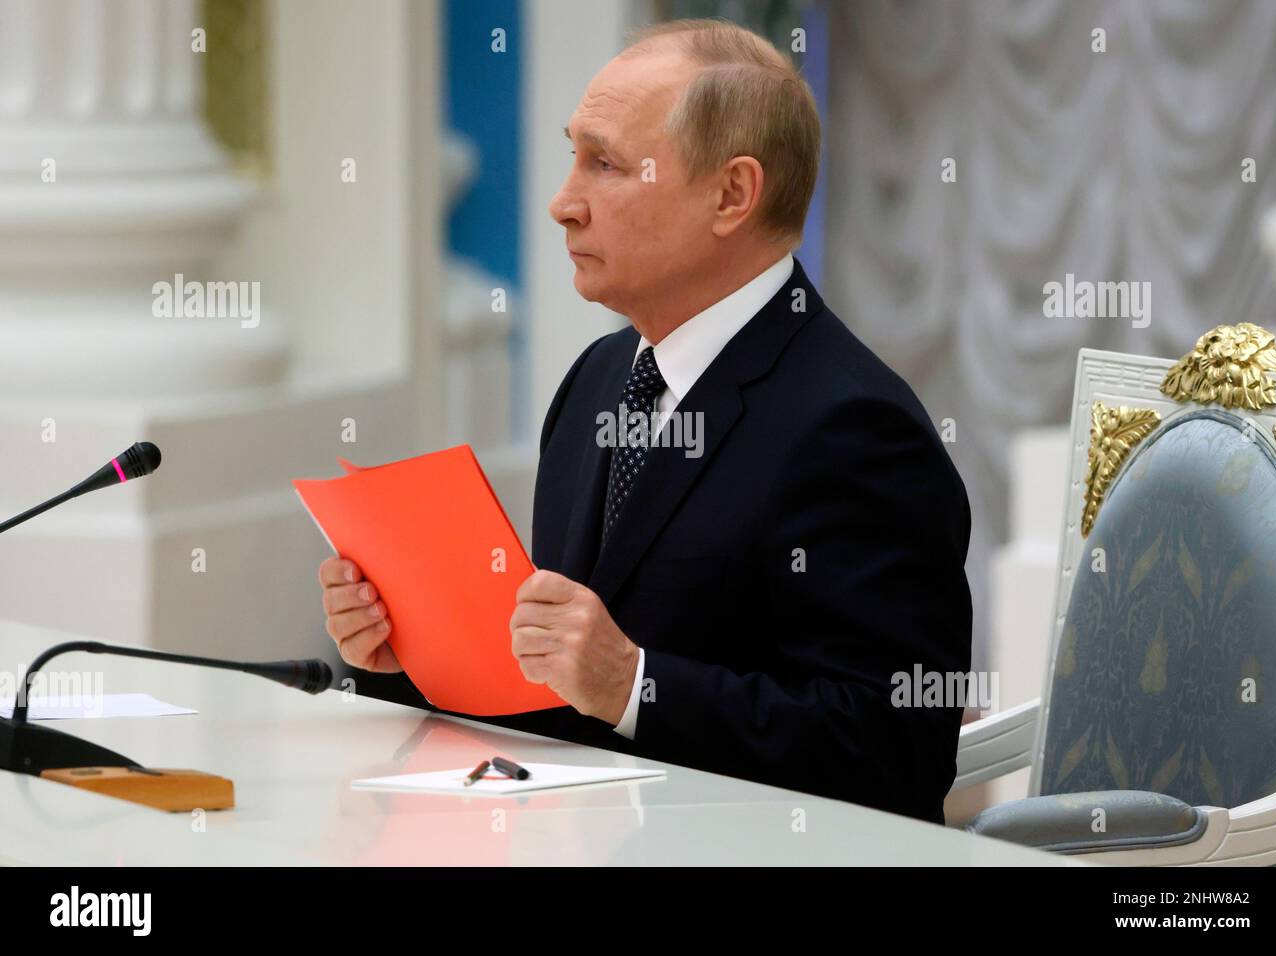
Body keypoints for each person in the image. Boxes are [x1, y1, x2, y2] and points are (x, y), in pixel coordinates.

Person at [319, 18, 971, 824]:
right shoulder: (597, 380)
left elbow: (895, 750)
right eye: (572, 156)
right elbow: (561, 695)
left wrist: (635, 684)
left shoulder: (856, 427)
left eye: (606, 164)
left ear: (732, 195)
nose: (563, 204)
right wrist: (404, 657)